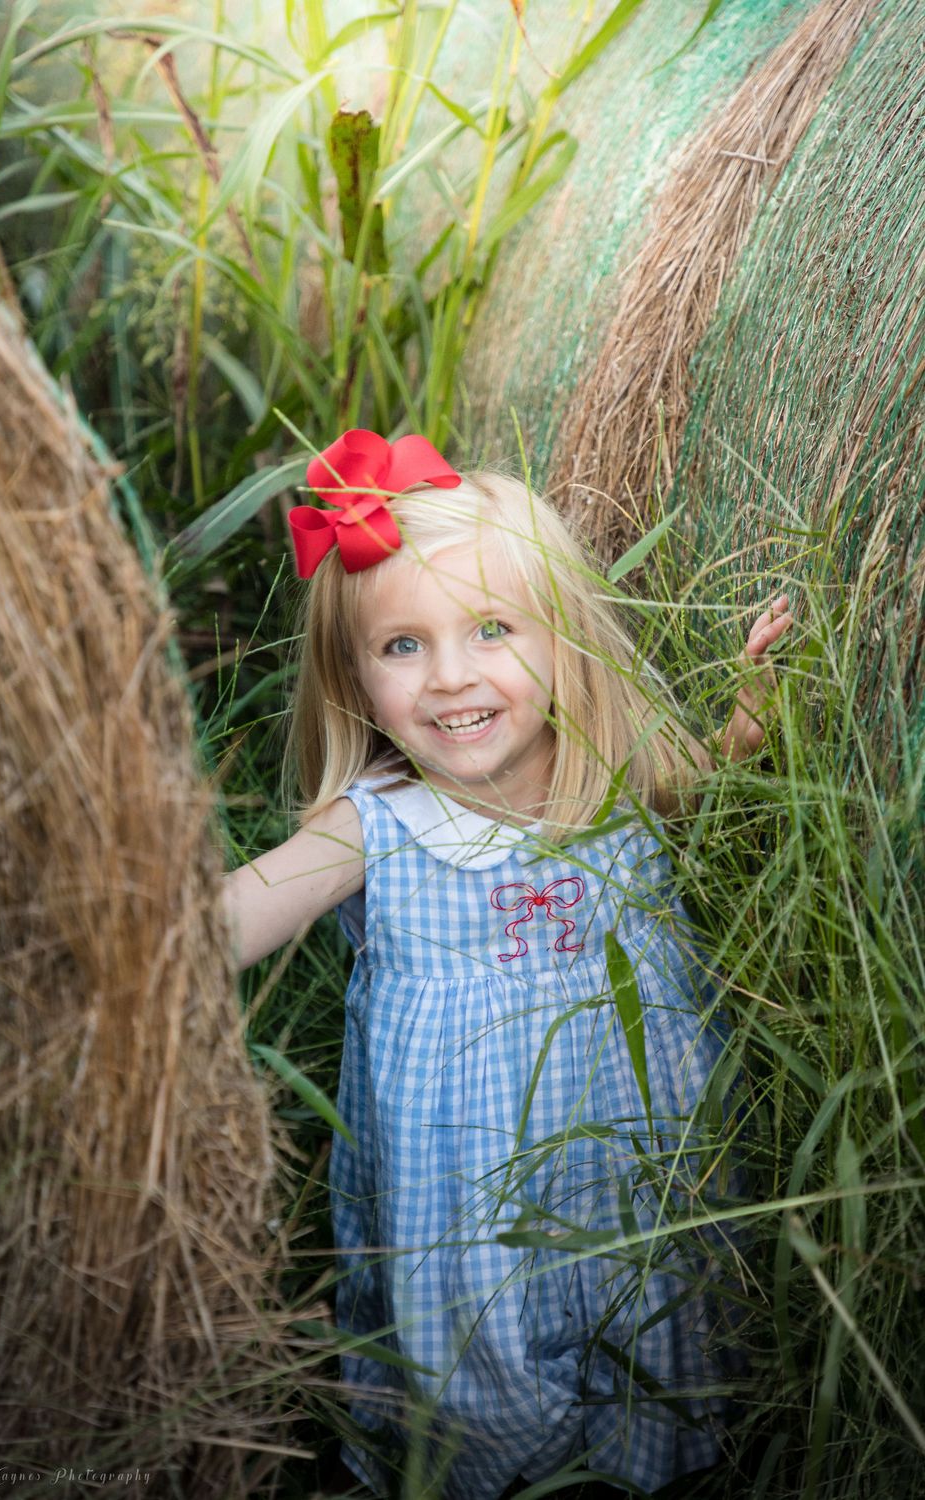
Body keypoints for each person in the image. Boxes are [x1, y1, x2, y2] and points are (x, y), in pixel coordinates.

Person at [225, 429, 792, 1499]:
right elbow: (230, 919)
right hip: (464, 1189)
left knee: (652, 1305)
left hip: (635, 1149)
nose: (450, 680)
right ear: (352, 676)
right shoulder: (376, 826)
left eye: (491, 630)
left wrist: (749, 722)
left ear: (563, 641)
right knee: (476, 1369)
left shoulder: (608, 776)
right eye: (402, 646)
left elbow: (700, 788)